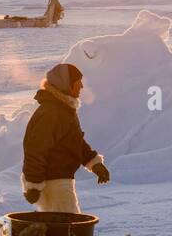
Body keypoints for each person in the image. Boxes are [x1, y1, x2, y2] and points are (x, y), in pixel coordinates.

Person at [21, 62, 110, 213]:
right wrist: (34, 184)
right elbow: (36, 149)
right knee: (67, 224)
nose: (81, 86)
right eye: (78, 82)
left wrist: (94, 163)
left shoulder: (63, 109)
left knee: (63, 225)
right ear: (66, 84)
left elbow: (75, 142)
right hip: (52, 181)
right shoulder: (51, 113)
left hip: (59, 179)